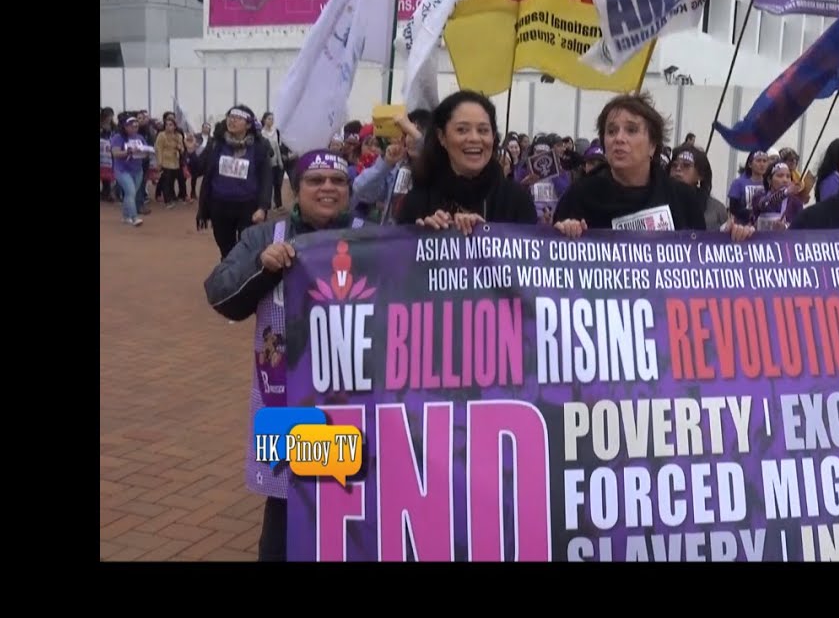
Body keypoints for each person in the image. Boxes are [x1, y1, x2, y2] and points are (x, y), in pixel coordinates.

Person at [203, 148, 365, 562]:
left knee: (356, 503)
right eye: (315, 180)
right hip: (290, 403)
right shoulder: (266, 237)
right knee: (288, 513)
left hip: (358, 404)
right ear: (294, 188)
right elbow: (220, 293)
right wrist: (263, 267)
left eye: (338, 181)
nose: (327, 188)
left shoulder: (373, 236)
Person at [553, 92, 712, 235]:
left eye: (631, 130)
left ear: (652, 145)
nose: (619, 138)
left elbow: (700, 254)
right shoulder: (579, 196)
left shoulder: (683, 199)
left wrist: (725, 239)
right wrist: (562, 233)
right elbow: (552, 253)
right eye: (611, 131)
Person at [396, 90, 536, 233]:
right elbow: (399, 245)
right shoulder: (416, 203)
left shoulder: (518, 201)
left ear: (493, 137)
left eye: (483, 130)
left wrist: (484, 233)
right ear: (442, 137)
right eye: (462, 130)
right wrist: (422, 236)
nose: (474, 138)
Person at [192, 106, 273, 259]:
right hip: (220, 206)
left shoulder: (259, 147)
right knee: (226, 250)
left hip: (248, 207)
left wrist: (262, 207)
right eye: (230, 117)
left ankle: (242, 271)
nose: (232, 120)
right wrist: (191, 153)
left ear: (248, 125)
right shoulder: (217, 144)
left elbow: (266, 179)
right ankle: (228, 270)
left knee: (247, 248)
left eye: (238, 118)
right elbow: (198, 168)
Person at [667, 145, 730, 230]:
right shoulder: (659, 201)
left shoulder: (716, 210)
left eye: (686, 165)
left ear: (700, 175)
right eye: (674, 165)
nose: (678, 169)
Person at [752, 161, 805, 230]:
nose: (785, 180)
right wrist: (785, 192)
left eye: (788, 176)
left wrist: (785, 227)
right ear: (769, 180)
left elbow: (799, 228)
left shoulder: (796, 202)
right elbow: (765, 203)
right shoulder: (759, 196)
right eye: (780, 176)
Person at [726, 150, 770, 224]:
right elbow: (733, 208)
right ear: (750, 164)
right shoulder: (738, 183)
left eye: (764, 161)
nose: (762, 164)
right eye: (758, 161)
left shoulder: (770, 184)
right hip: (742, 225)